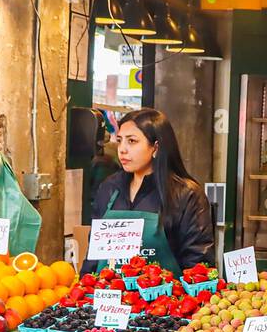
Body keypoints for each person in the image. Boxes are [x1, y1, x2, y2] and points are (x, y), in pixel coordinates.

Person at [88, 108, 213, 273]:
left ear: (155, 147)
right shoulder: (109, 188)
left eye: (132, 141)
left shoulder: (187, 194)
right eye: (119, 140)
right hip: (110, 296)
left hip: (165, 297)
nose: (122, 149)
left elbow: (197, 265)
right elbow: (93, 259)